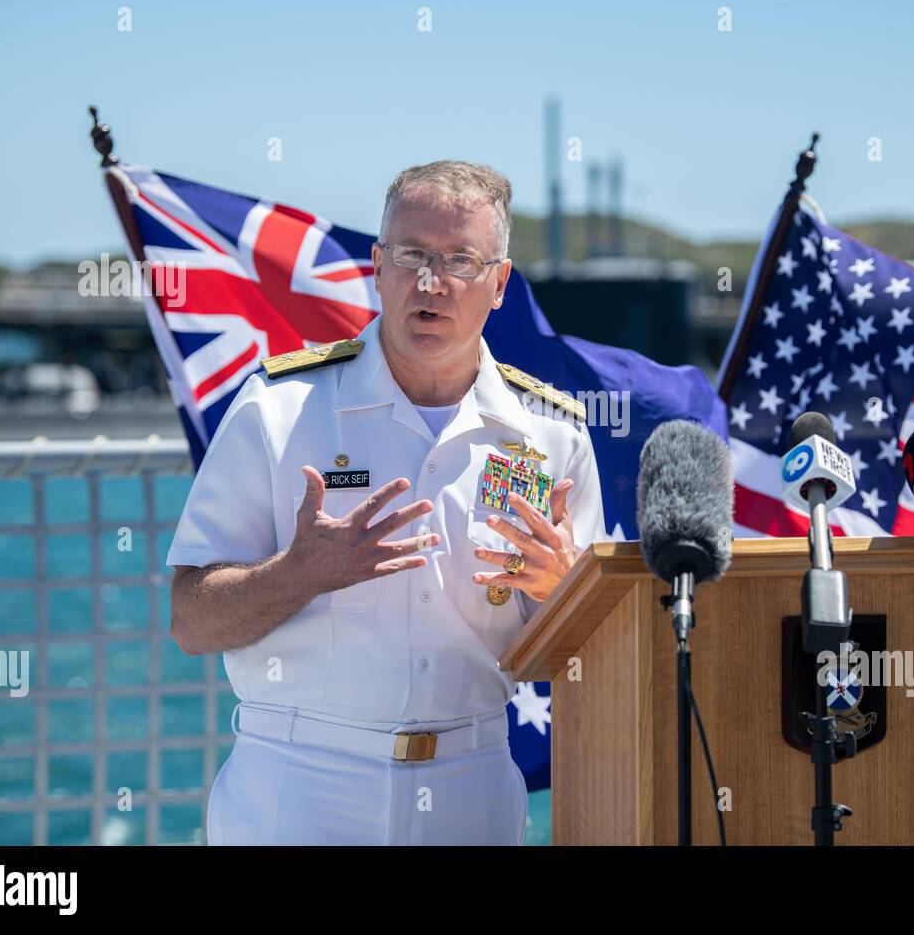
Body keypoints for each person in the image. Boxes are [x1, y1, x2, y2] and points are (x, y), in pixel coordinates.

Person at [166, 160, 606, 845]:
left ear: (499, 285)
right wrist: (299, 573)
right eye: (412, 256)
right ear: (377, 265)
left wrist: (563, 600)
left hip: (473, 789)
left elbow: (577, 666)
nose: (432, 283)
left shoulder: (552, 435)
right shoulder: (279, 410)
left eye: (460, 260)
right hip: (300, 786)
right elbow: (191, 622)